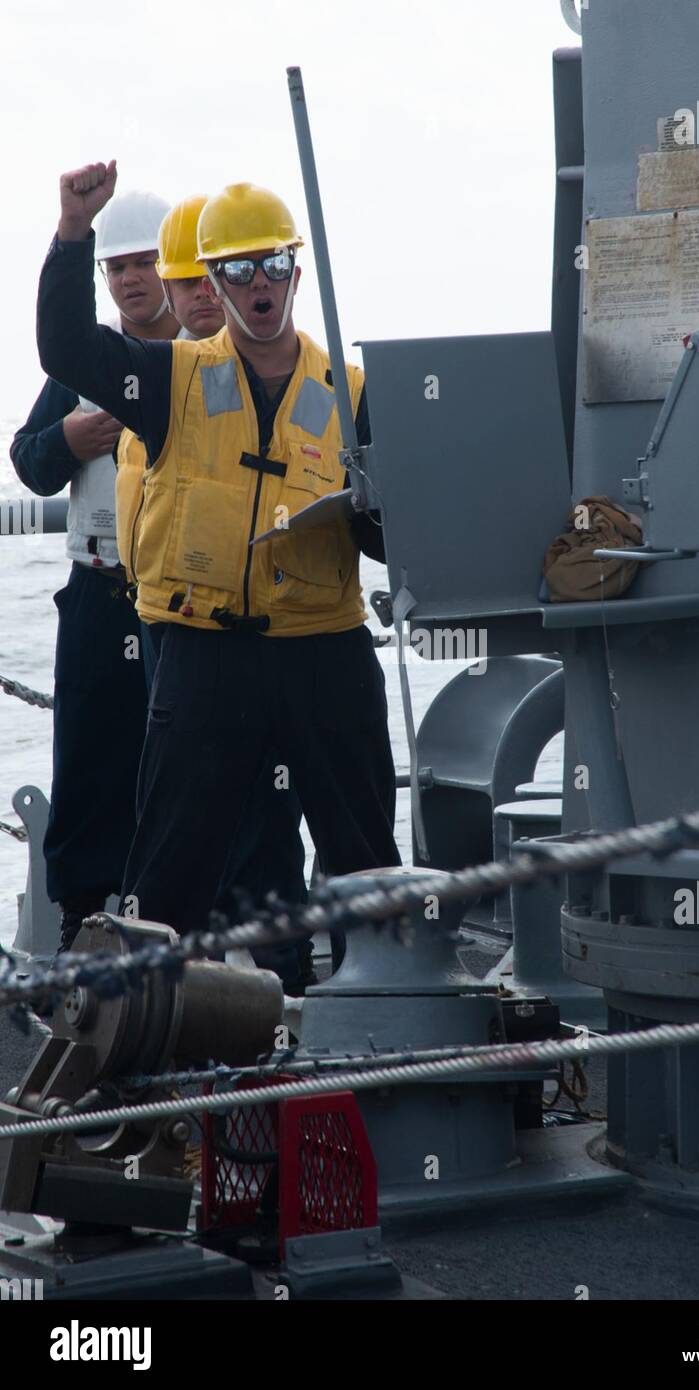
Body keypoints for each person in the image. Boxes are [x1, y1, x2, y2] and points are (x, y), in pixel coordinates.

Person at [37, 159, 400, 951]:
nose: (258, 283)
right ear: (213, 282)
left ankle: (376, 1024)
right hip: (204, 654)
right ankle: (150, 1041)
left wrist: (383, 508)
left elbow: (393, 544)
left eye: (272, 264)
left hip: (324, 650)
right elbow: (66, 346)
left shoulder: (356, 392)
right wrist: (73, 233)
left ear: (294, 273)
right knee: (172, 864)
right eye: (238, 270)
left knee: (365, 857)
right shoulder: (168, 376)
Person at [132, 194, 312, 991]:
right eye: (210, 278)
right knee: (178, 816)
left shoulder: (309, 377)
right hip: (173, 626)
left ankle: (284, 969)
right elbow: (37, 444)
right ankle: (174, 987)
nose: (216, 294)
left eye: (263, 266)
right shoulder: (159, 377)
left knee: (269, 819)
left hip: (283, 635)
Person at [12, 188, 178, 952]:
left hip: (183, 599)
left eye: (144, 262)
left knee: (185, 765)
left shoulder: (199, 360)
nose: (131, 280)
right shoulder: (81, 367)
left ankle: (190, 926)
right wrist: (68, 440)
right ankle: (79, 930)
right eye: (116, 268)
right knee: (87, 765)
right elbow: (29, 463)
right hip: (99, 592)